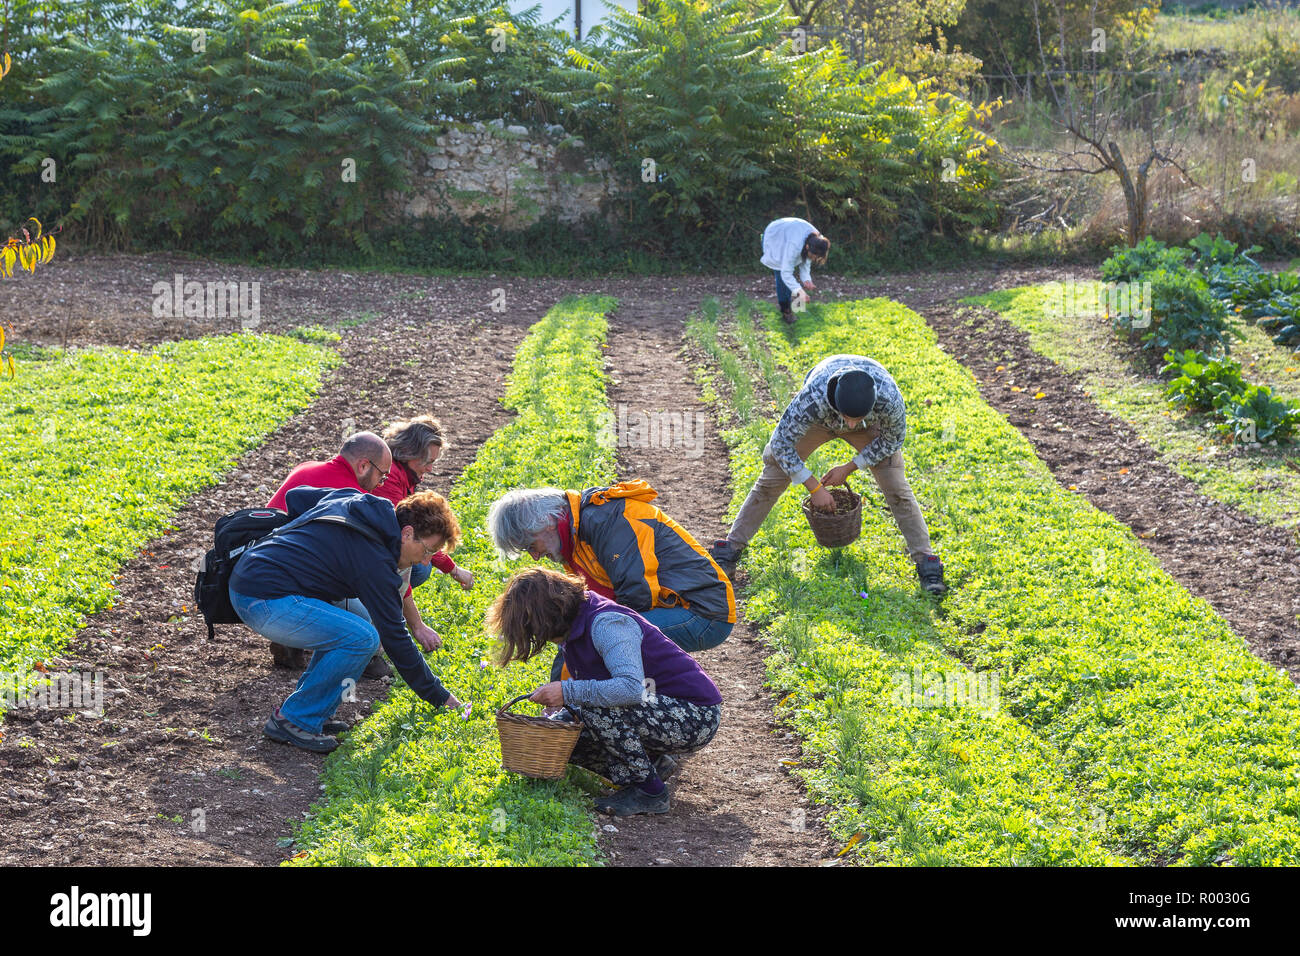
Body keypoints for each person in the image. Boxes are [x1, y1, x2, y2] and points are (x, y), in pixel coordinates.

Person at [229, 488, 464, 753]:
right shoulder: (373, 561)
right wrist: (440, 697)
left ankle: (314, 711)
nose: (425, 561)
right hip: (261, 597)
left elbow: (297, 497)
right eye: (428, 550)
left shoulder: (363, 504)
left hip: (254, 576)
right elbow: (395, 639)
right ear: (407, 533)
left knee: (350, 630)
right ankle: (295, 720)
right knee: (363, 638)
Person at [487, 566, 722, 816]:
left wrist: (567, 691)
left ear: (546, 616)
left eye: (532, 629)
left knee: (594, 707)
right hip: (657, 710)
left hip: (695, 716)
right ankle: (653, 765)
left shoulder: (607, 623)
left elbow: (630, 688)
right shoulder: (574, 627)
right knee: (567, 738)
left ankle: (650, 792)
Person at [709, 354, 948, 595]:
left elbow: (893, 440)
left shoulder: (888, 399)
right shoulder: (813, 398)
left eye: (858, 419)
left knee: (896, 486)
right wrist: (814, 487)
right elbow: (781, 443)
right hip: (820, 422)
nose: (851, 426)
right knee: (773, 476)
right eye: (848, 419)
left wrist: (849, 467)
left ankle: (926, 562)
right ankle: (730, 548)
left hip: (870, 426)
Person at [486, 480, 735, 658]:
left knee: (598, 641)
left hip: (703, 613)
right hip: (672, 607)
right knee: (585, 642)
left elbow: (637, 594)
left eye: (531, 545)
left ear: (547, 523)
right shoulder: (574, 533)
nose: (536, 555)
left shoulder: (607, 521)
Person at [372, 415, 474, 593]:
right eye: (428, 462)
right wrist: (452, 569)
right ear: (410, 453)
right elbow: (402, 534)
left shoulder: (402, 472)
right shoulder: (389, 478)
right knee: (419, 567)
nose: (430, 469)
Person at [761, 217, 830, 324]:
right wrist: (800, 291)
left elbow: (807, 259)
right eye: (814, 256)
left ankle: (797, 306)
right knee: (781, 274)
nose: (814, 259)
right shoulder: (795, 245)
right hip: (775, 236)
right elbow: (786, 273)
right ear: (807, 247)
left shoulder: (818, 241)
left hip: (790, 233)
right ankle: (786, 310)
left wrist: (806, 279)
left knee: (792, 283)